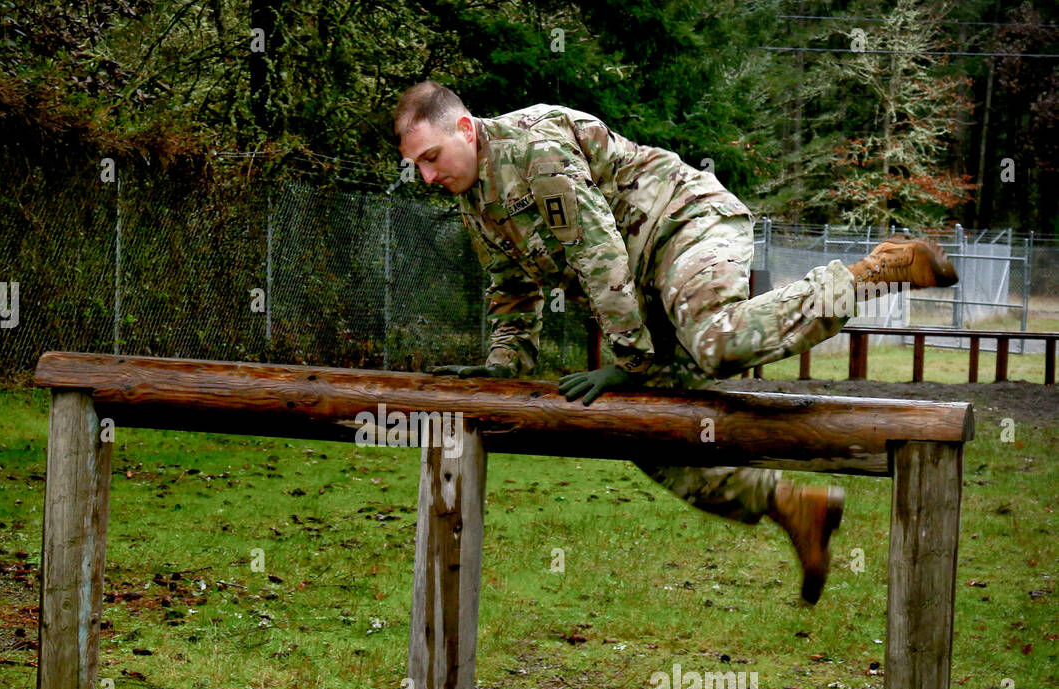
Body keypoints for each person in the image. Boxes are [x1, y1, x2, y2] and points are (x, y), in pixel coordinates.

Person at [394, 80, 957, 604]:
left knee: (715, 340)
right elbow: (512, 286)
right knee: (643, 426)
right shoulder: (474, 197)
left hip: (685, 224)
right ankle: (790, 506)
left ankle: (873, 272)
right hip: (641, 285)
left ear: (465, 129)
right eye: (415, 166)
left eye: (431, 158)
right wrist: (503, 366)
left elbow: (598, 251)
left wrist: (630, 360)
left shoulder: (534, 149)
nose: (426, 177)